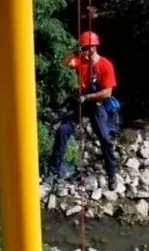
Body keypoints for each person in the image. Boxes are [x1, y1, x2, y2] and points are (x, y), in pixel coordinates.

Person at [45, 31, 119, 191]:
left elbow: (108, 92)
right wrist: (74, 50)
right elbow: (65, 63)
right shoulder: (81, 61)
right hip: (80, 101)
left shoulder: (105, 65)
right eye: (83, 48)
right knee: (62, 131)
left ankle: (112, 174)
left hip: (97, 103)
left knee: (105, 138)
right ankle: (52, 173)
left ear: (94, 48)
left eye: (86, 48)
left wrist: (89, 97)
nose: (84, 51)